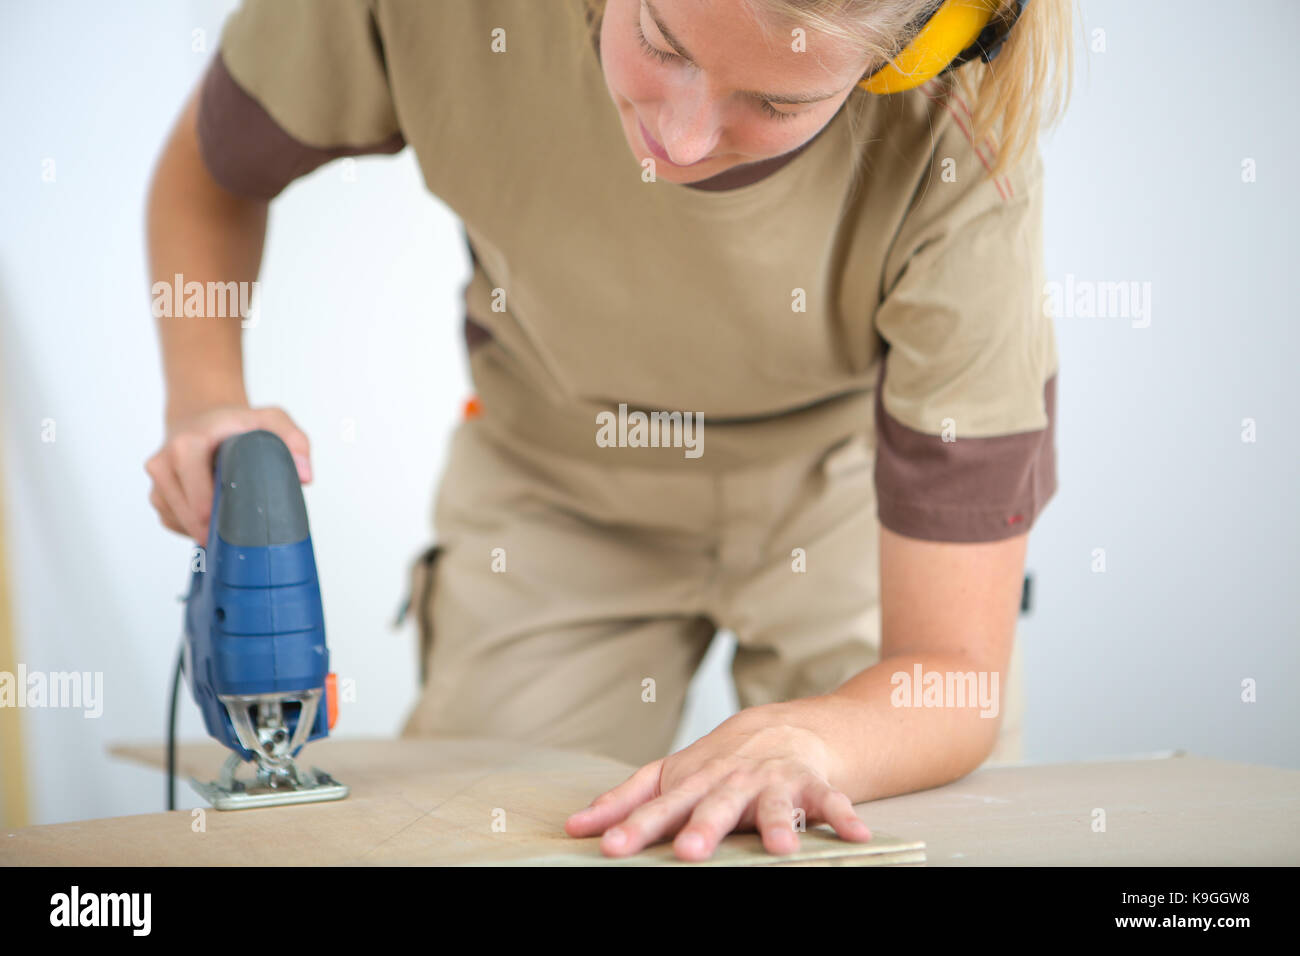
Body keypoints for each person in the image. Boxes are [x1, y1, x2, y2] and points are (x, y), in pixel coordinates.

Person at [145, 0, 1072, 861]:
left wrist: (817, 739)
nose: (680, 138)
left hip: (846, 494)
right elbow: (211, 176)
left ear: (905, 57)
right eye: (663, 43)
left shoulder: (963, 146)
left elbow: (950, 675)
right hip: (554, 476)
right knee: (463, 837)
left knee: (916, 838)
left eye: (777, 99)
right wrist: (203, 397)